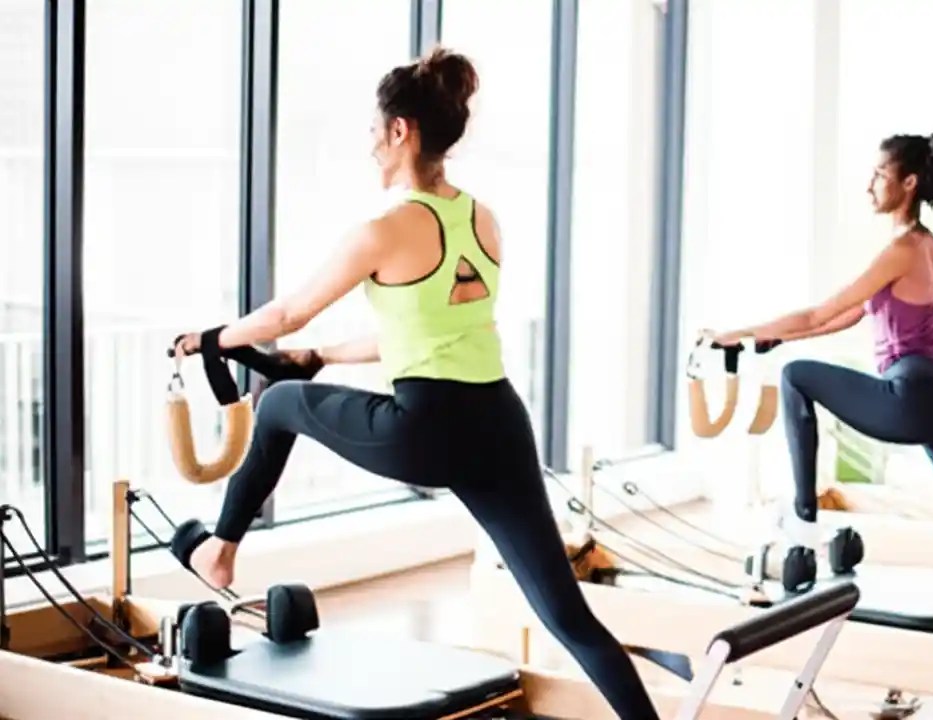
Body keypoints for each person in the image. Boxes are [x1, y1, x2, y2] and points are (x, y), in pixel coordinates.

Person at [170, 48, 662, 720]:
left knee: (279, 403)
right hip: (500, 425)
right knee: (566, 616)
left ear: (401, 130)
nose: (370, 147)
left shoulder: (384, 227)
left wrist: (210, 339)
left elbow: (287, 312)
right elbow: (425, 330)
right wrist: (325, 356)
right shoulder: (482, 220)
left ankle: (219, 553)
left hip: (426, 431)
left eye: (374, 132)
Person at [704, 133, 933, 654]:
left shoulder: (900, 250)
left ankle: (804, 523)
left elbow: (818, 312)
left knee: (795, 377)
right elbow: (841, 319)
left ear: (909, 182)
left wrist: (736, 334)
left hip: (914, 398)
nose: (870, 184)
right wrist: (774, 335)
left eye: (880, 174)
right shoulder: (926, 246)